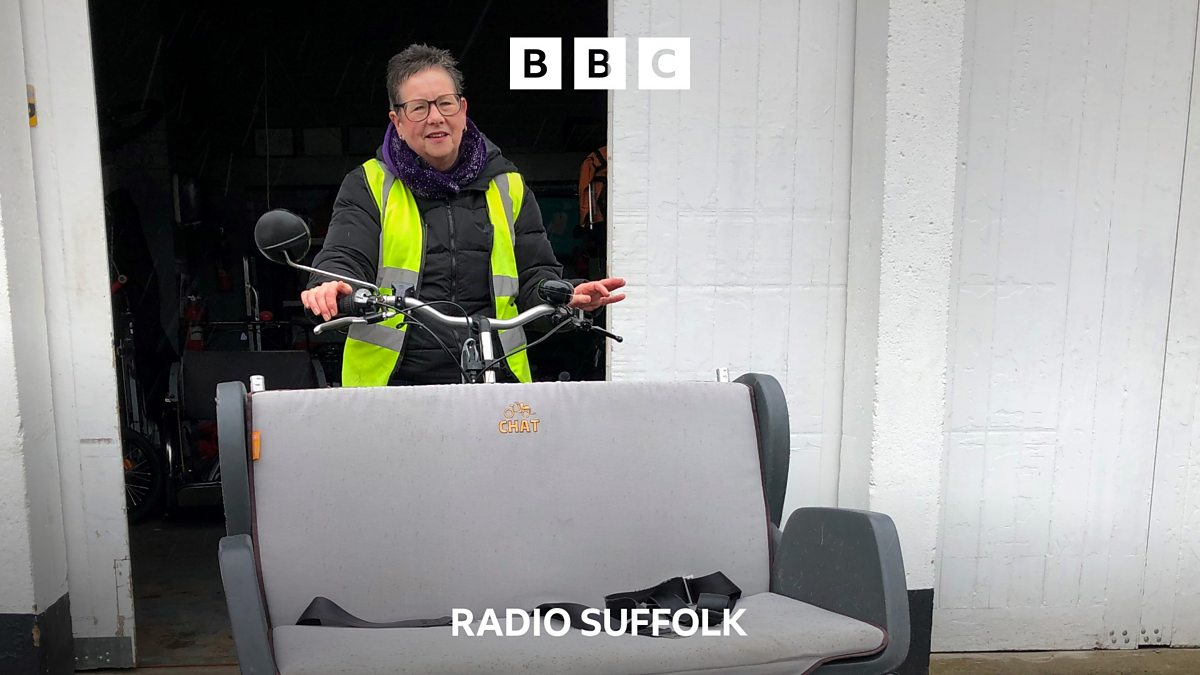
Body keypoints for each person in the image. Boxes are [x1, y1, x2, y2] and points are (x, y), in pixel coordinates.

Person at [301, 44, 625, 387]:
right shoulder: (368, 184)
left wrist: (563, 294)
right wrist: (330, 285)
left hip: (497, 377)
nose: (436, 117)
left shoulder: (508, 185)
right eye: (419, 108)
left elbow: (534, 276)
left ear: (463, 108)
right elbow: (344, 256)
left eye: (445, 103)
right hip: (393, 388)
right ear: (396, 121)